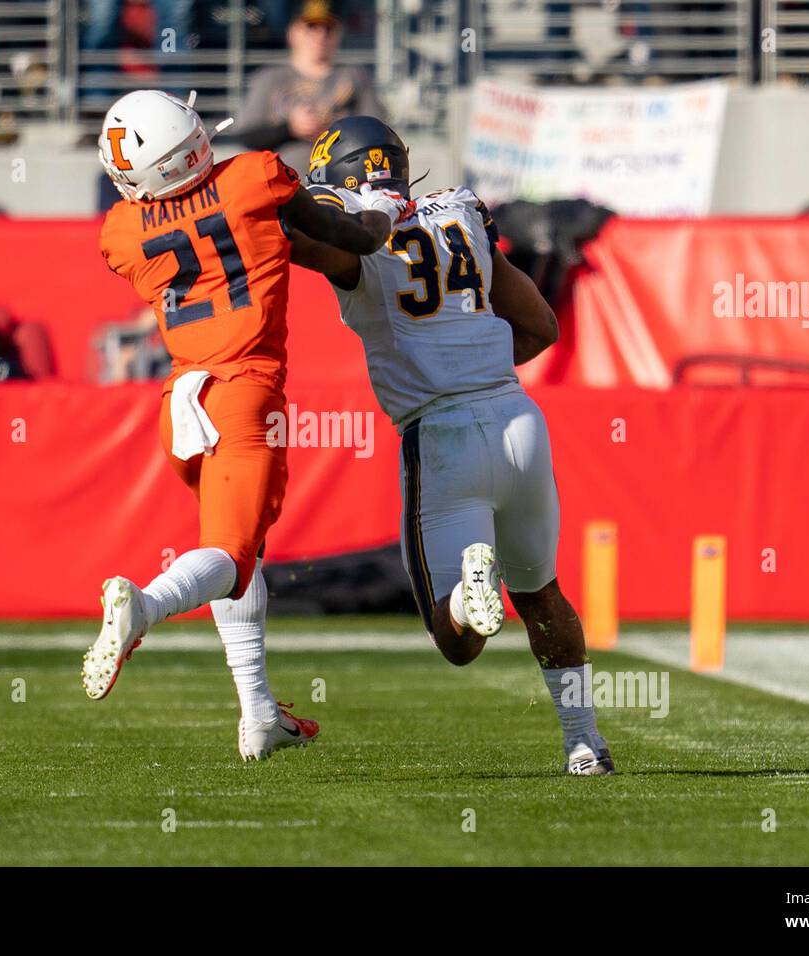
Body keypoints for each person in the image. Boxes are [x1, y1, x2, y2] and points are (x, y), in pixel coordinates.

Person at [88, 89, 415, 760]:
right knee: (232, 559)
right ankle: (143, 608)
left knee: (243, 552)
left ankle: (258, 711)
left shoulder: (118, 233)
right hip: (244, 393)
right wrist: (382, 206)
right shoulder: (253, 174)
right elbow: (353, 237)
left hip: (181, 405)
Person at [288, 116, 615, 775]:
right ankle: (585, 745)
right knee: (543, 595)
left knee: (457, 639)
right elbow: (540, 325)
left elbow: (295, 237)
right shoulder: (460, 210)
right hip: (516, 418)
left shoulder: (351, 226)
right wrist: (472, 360)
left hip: (438, 435)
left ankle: (472, 591)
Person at [236, 0, 381, 177]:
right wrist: (290, 128)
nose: (320, 35)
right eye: (312, 26)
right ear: (293, 31)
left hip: (343, 184)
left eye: (328, 28)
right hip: (283, 183)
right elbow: (247, 136)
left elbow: (376, 135)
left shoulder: (355, 76)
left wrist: (331, 133)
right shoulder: (270, 78)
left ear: (339, 33)